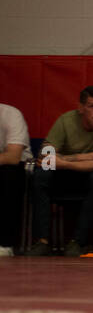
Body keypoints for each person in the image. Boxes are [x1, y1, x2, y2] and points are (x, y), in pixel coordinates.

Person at [29, 86, 93, 256]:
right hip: (63, 176)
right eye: (92, 106)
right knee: (41, 175)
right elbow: (45, 159)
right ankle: (42, 241)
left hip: (88, 177)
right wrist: (85, 157)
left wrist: (64, 160)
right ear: (80, 108)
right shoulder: (65, 121)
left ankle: (78, 242)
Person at [0, 103, 33, 257]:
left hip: (16, 168)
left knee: (9, 174)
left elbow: (13, 157)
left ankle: (5, 244)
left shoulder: (11, 114)